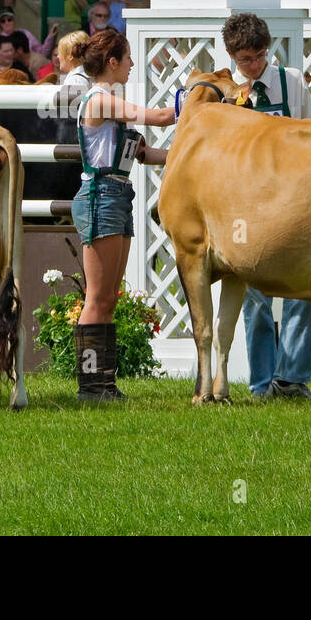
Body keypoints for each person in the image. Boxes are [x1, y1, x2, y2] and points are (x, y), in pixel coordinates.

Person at [222, 13, 311, 399]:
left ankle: (292, 378)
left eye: (261, 55)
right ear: (232, 56)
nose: (256, 64)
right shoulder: (225, 92)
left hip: (293, 199)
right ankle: (262, 383)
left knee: (306, 288)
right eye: (246, 58)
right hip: (245, 204)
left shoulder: (291, 80)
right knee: (255, 298)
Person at [72, 29, 173, 400]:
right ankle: (89, 385)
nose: (131, 64)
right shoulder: (100, 99)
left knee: (108, 296)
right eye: (127, 58)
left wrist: (190, 154)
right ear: (112, 62)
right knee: (97, 297)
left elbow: (147, 154)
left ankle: (104, 383)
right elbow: (159, 117)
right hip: (100, 194)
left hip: (117, 194)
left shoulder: (110, 102)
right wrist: (194, 104)